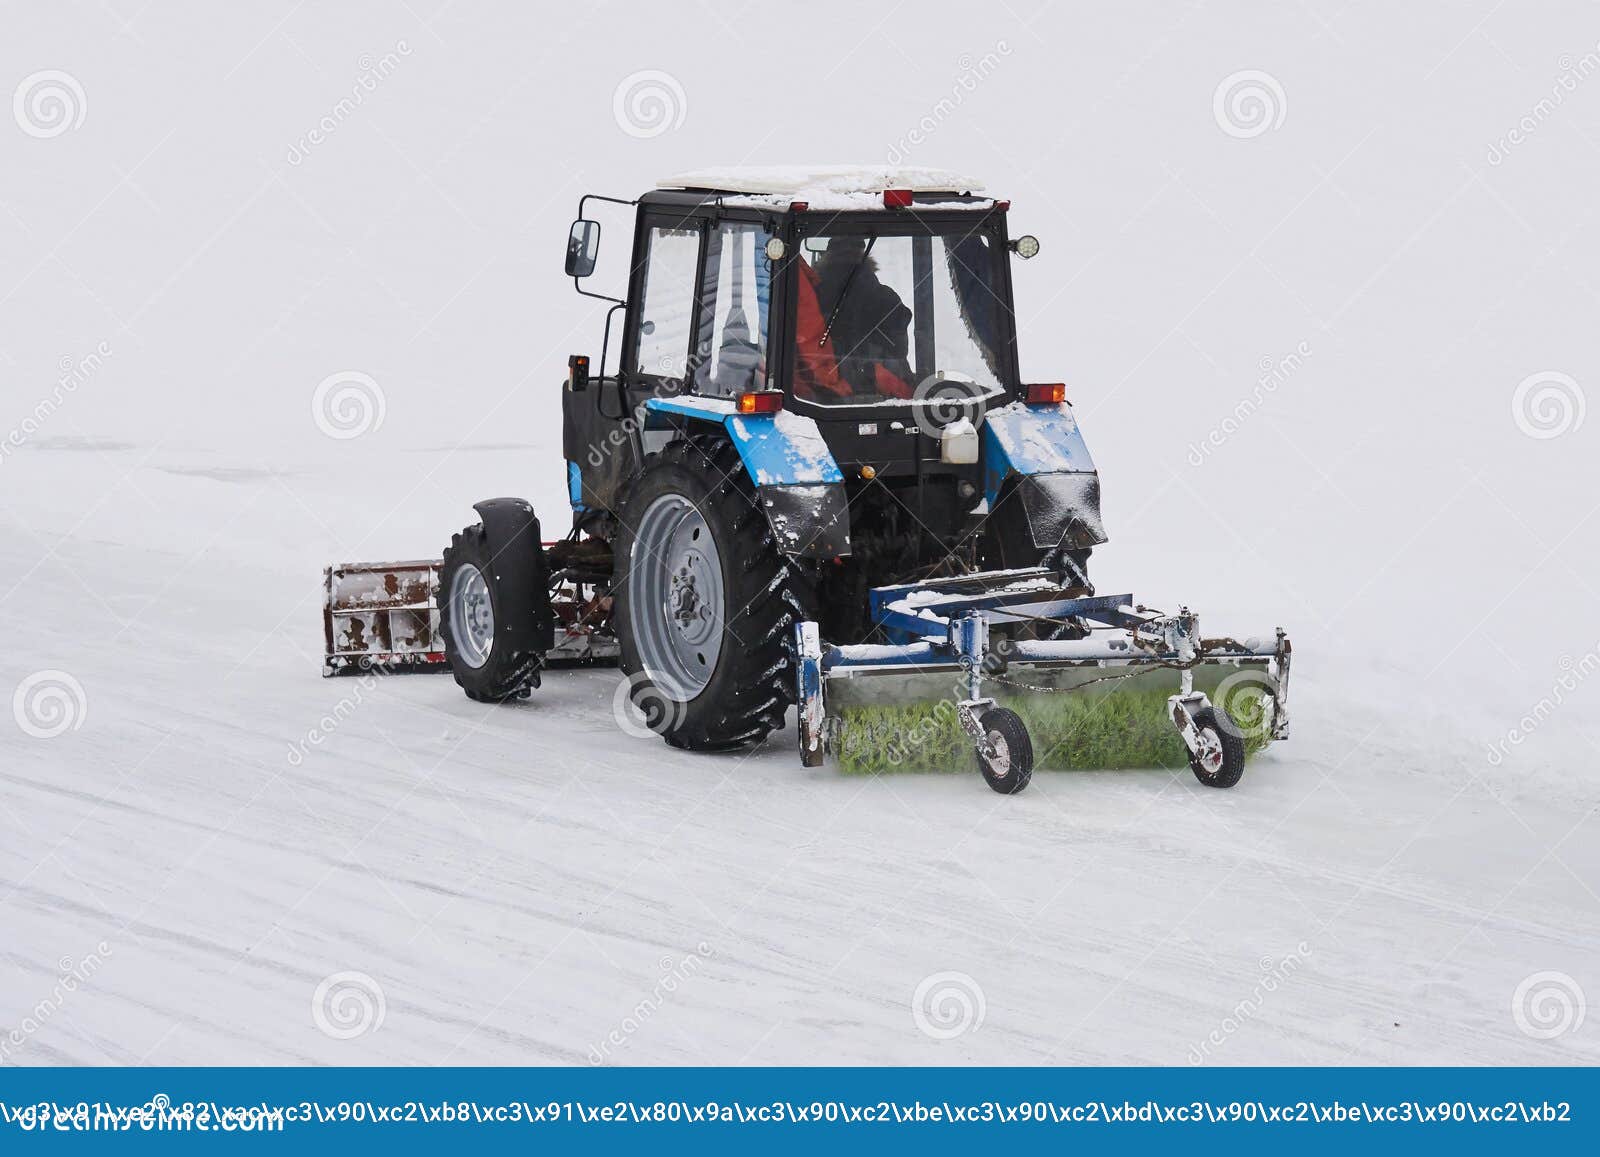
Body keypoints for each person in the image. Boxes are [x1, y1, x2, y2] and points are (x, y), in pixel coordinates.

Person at [813, 237, 914, 398]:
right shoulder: (887, 298)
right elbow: (899, 351)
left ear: (825, 257)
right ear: (863, 255)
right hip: (886, 398)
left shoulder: (810, 298)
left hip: (820, 397)